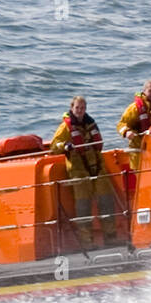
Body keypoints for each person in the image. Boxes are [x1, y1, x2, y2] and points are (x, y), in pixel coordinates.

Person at [50, 95, 120, 248]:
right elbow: (54, 146)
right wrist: (65, 145)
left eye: (82, 108)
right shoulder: (65, 127)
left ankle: (111, 237)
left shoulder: (91, 124)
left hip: (97, 166)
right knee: (83, 207)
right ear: (72, 108)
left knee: (106, 202)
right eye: (77, 108)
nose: (80, 111)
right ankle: (86, 241)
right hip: (78, 170)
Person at [117, 79, 151, 169]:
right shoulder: (135, 108)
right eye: (150, 91)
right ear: (144, 91)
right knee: (141, 174)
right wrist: (126, 132)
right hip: (138, 147)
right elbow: (121, 124)